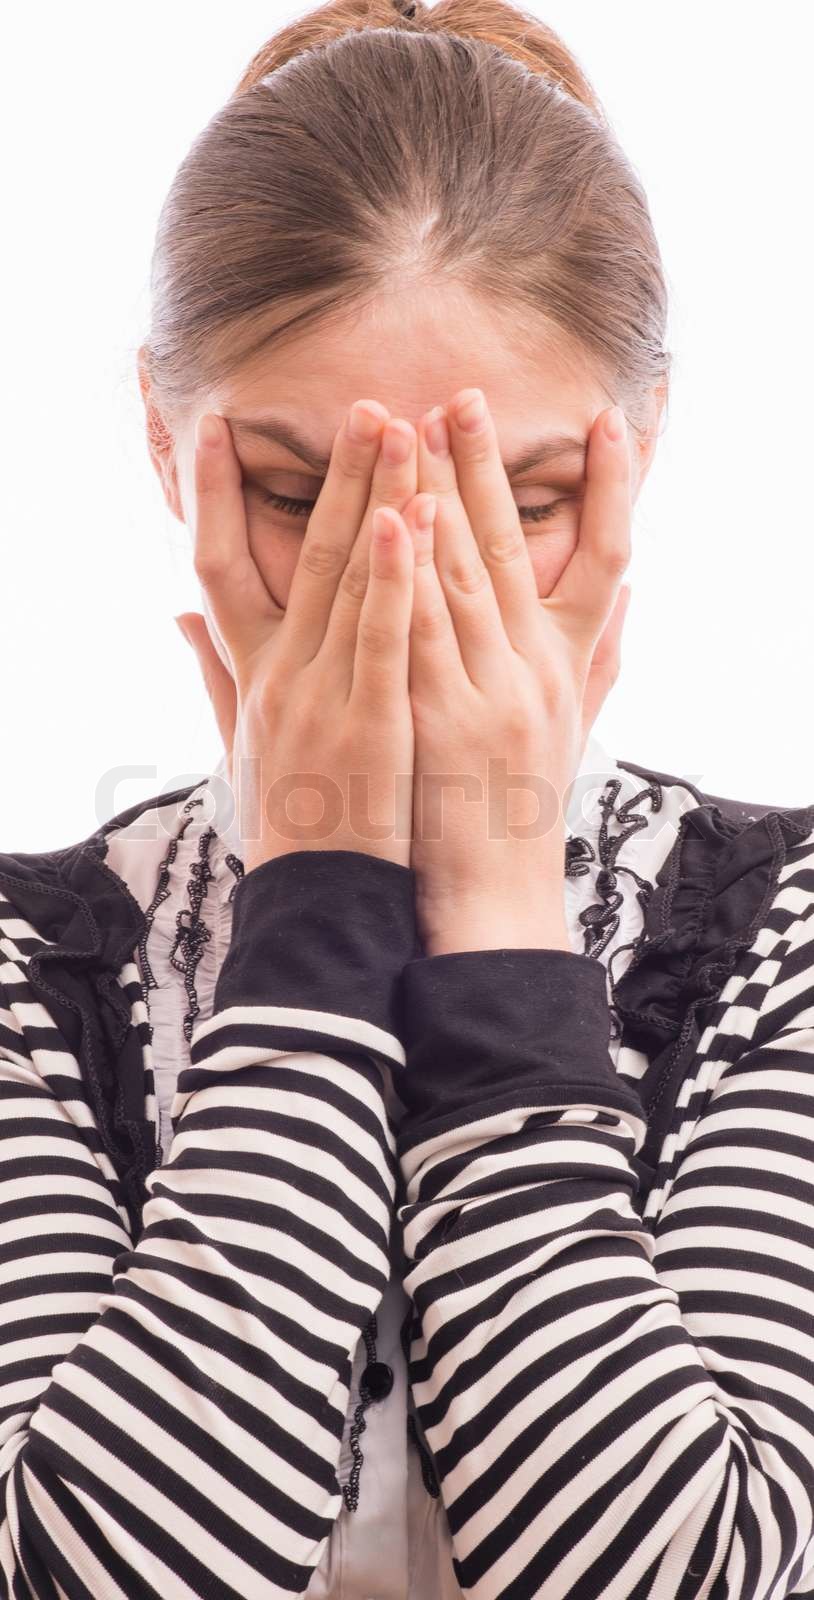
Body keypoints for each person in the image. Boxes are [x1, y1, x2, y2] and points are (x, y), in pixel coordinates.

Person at [1, 1, 812, 1596]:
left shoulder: (784, 932)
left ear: (639, 446)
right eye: (308, 495)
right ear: (172, 453)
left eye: (521, 501)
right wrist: (316, 895)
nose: (417, 577)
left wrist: (502, 903)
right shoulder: (31, 968)